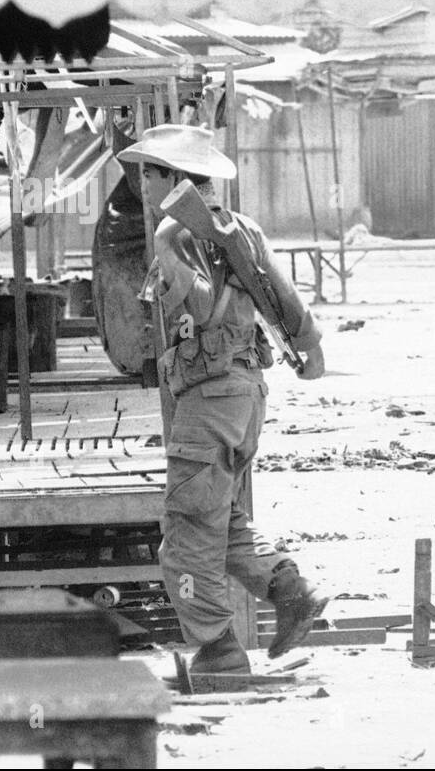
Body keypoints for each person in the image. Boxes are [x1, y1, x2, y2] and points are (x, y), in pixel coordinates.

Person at [118, 124, 329, 674]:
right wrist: (311, 349)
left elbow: (204, 309)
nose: (142, 183)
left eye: (148, 171)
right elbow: (286, 302)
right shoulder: (244, 229)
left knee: (186, 532)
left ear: (172, 175)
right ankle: (289, 588)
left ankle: (219, 652)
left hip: (208, 397)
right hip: (246, 394)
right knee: (218, 515)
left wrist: (175, 285)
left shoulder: (171, 232)